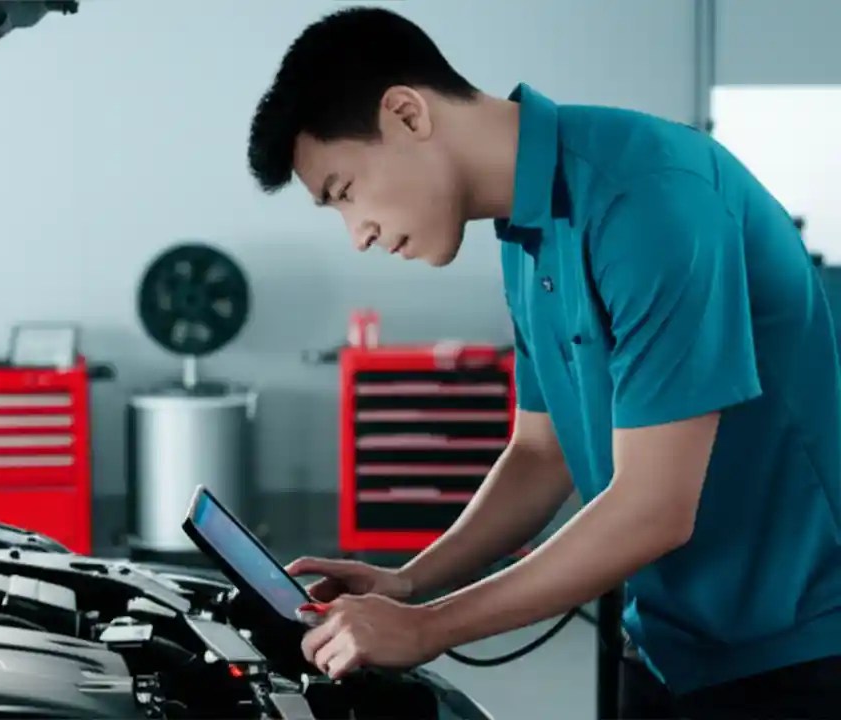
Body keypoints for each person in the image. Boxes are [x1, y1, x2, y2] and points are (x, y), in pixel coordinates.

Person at [245, 6, 841, 719]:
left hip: (797, 652)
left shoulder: (648, 197)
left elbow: (653, 510)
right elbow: (540, 452)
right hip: (669, 642)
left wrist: (428, 628)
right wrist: (410, 583)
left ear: (407, 113)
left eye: (344, 193)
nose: (358, 235)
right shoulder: (527, 228)